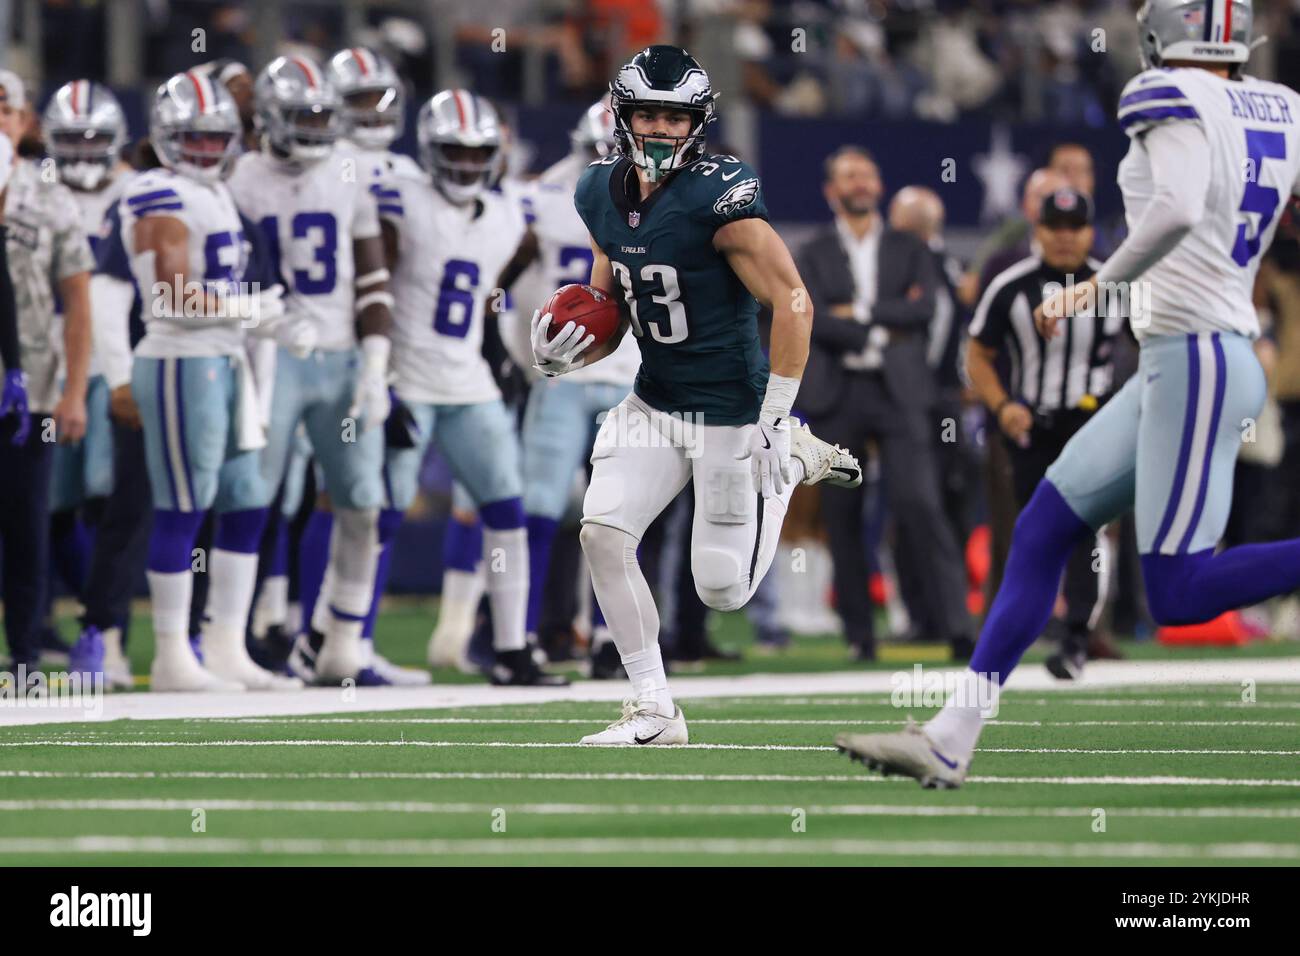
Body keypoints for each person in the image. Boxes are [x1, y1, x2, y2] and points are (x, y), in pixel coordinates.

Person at [837, 0, 1300, 787]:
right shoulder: (1282, 105)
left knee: (1179, 592)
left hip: (1198, 355)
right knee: (1045, 525)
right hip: (1187, 356)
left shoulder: (1167, 93)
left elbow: (1182, 208)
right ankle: (952, 735)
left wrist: (1095, 289)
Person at [538, 45, 862, 745]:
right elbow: (613, 304)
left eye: (673, 117)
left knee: (721, 587)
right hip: (654, 402)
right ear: (623, 119)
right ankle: (655, 708)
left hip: (734, 414)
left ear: (698, 124)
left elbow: (794, 302)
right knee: (602, 532)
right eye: (648, 115)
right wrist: (566, 348)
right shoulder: (599, 191)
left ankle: (796, 459)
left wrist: (774, 418)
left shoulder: (723, 195)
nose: (659, 129)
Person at [373, 88, 566, 687]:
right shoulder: (402, 200)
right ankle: (342, 640)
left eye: (476, 152)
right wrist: (377, 379)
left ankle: (511, 647)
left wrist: (494, 344)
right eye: (453, 151)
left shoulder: (508, 213)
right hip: (406, 374)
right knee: (377, 512)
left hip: (467, 377)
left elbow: (490, 287)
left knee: (506, 506)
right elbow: (373, 286)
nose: (464, 164)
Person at [123, 70, 298, 692]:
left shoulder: (219, 193)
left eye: (214, 137)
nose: (203, 148)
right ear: (166, 138)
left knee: (248, 500)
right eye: (191, 137)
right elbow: (169, 295)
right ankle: (173, 654)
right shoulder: (155, 191)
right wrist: (251, 308)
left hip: (227, 360)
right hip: (180, 358)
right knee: (183, 504)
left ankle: (226, 646)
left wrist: (261, 319)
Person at [227, 56, 395, 685]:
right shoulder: (240, 176)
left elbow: (373, 277)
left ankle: (343, 644)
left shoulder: (347, 169)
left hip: (342, 355)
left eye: (324, 115)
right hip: (269, 351)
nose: (318, 128)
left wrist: (377, 364)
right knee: (249, 495)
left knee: (361, 502)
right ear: (271, 116)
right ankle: (229, 638)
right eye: (304, 116)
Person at [795, 147, 973, 660]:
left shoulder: (907, 245)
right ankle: (859, 635)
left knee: (921, 503)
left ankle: (957, 625)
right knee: (842, 512)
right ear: (831, 189)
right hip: (839, 392)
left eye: (868, 174)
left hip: (898, 391)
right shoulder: (812, 250)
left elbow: (922, 309)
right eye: (850, 176)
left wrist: (861, 310)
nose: (861, 184)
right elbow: (809, 314)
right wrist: (873, 324)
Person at [966, 187, 1123, 679]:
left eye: (1073, 227)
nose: (1063, 237)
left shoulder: (1114, 283)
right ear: (1038, 230)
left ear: (1090, 231)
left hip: (1092, 423)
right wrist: (1002, 405)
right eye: (1053, 226)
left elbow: (1150, 344)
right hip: (1032, 425)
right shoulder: (1012, 285)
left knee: (1083, 529)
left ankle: (1077, 635)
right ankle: (1020, 634)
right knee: (1033, 533)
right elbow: (978, 355)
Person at [514, 100, 642, 678]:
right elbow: (505, 291)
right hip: (563, 375)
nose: (609, 162)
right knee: (539, 507)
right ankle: (517, 638)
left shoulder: (666, 200)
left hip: (630, 377)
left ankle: (609, 643)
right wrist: (525, 358)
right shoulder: (540, 200)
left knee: (617, 517)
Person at [0, 69, 92, 677]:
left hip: (30, 384)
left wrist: (75, 390)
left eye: (3, 107)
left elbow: (78, 299)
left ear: (27, 121)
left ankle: (27, 656)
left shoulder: (51, 195)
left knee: (27, 526)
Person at [41, 81, 133, 678]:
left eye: (93, 138)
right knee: (50, 506)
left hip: (117, 365)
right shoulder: (32, 190)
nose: (81, 151)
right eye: (70, 139)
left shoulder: (140, 191)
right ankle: (83, 619)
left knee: (107, 499)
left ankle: (107, 633)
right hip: (46, 362)